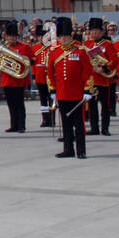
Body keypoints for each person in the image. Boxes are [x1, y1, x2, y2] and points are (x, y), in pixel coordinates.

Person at [47, 17, 90, 159]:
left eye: (65, 36)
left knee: (79, 124)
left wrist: (87, 90)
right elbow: (50, 72)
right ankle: (68, 149)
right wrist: (52, 89)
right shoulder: (54, 51)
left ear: (71, 35)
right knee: (65, 124)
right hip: (62, 93)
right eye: (61, 36)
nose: (63, 39)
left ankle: (81, 150)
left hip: (77, 93)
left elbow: (87, 72)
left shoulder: (81, 51)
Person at [0, 22, 31, 133]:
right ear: (7, 37)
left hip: (19, 80)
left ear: (17, 37)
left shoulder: (24, 47)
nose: (12, 38)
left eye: (14, 36)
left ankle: (21, 125)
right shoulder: (3, 48)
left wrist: (25, 58)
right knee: (10, 104)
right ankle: (14, 125)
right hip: (7, 80)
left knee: (19, 103)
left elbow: (33, 60)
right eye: (10, 36)